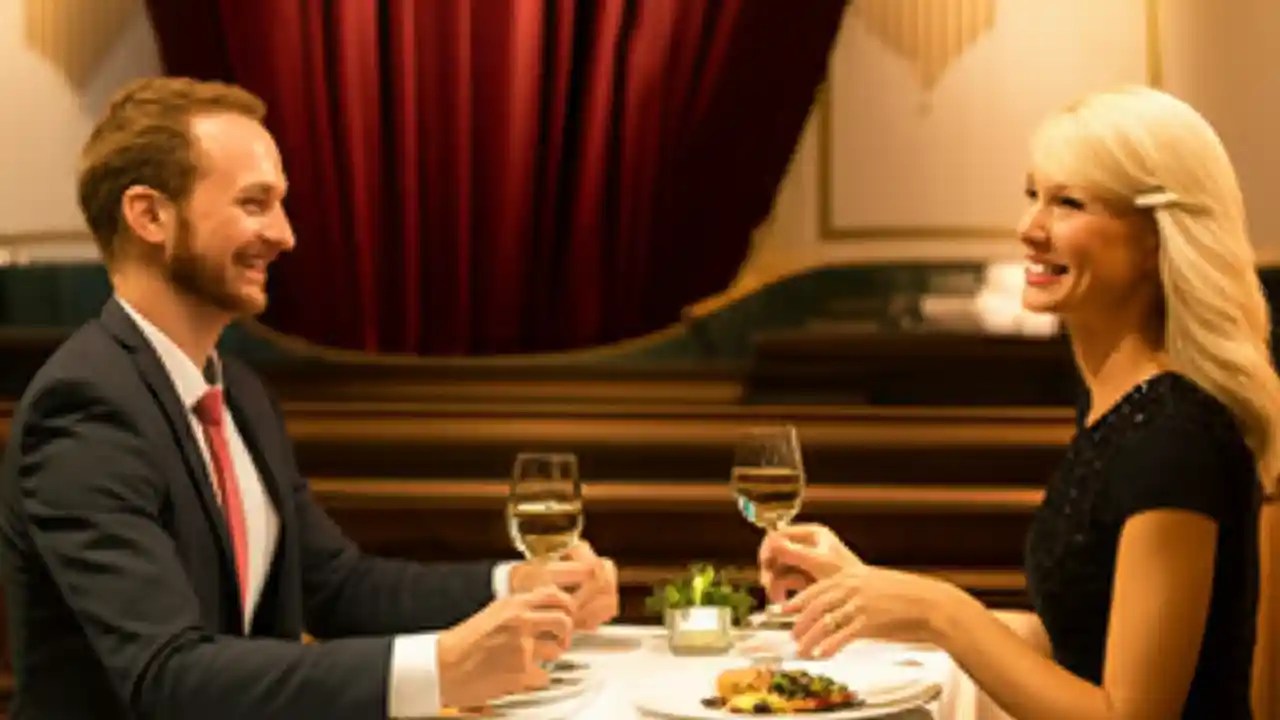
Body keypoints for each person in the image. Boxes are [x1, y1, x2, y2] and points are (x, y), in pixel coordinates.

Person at [0, 76, 619, 720]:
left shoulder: (238, 393)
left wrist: (513, 584)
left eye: (280, 204)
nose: (285, 234)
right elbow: (166, 673)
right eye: (254, 203)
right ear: (150, 215)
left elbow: (338, 588)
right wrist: (442, 669)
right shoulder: (85, 407)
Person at [759, 86, 1276, 720]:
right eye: (1034, 195)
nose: (1030, 229)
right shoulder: (1118, 411)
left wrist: (940, 611)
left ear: (1155, 243)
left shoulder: (1172, 439)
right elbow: (1073, 645)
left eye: (1069, 203)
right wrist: (870, 593)